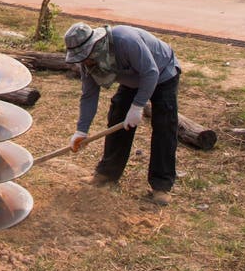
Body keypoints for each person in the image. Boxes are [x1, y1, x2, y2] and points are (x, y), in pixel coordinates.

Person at [65, 21, 181, 206]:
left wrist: (138, 106)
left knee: (164, 125)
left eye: (86, 56)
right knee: (118, 115)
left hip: (161, 72)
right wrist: (81, 130)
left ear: (97, 44)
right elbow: (88, 96)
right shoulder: (87, 63)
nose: (85, 61)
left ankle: (161, 186)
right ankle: (107, 173)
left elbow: (150, 73)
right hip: (133, 80)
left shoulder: (125, 40)